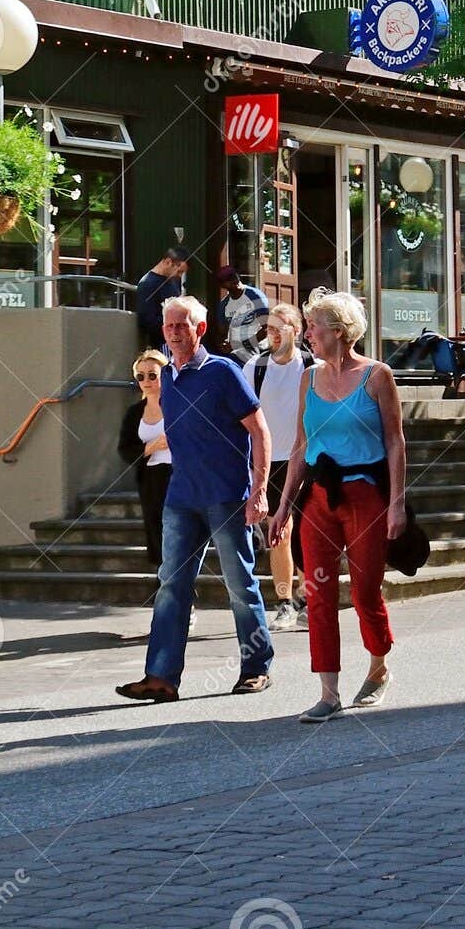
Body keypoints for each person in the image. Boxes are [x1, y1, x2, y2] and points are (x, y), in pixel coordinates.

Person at [116, 296, 274, 703]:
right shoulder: (166, 378)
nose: (173, 332)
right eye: (168, 326)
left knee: (240, 584)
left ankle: (256, 667)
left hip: (226, 496)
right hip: (181, 498)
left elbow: (259, 431)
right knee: (171, 586)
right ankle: (161, 678)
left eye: (181, 325)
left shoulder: (223, 371)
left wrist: (259, 490)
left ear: (200, 329)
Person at [269, 291, 407, 724]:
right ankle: (328, 691)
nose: (308, 333)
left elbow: (394, 443)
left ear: (341, 332)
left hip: (365, 494)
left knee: (365, 592)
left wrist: (398, 503)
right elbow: (300, 446)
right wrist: (283, 506)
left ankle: (379, 665)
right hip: (319, 498)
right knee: (318, 594)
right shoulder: (308, 378)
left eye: (315, 326)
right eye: (308, 326)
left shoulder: (377, 376)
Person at [243, 302, 313, 631]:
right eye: (268, 328)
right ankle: (285, 603)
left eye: (278, 327)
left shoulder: (314, 366)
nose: (271, 334)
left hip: (308, 459)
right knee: (279, 534)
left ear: (296, 331)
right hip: (269, 462)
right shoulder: (254, 368)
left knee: (309, 533)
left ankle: (309, 598)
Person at [117, 350, 172, 567]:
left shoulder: (177, 404)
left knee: (180, 529)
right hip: (151, 478)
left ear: (164, 375)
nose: (146, 381)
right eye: (140, 376)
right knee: (156, 529)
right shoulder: (134, 413)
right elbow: (125, 449)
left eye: (152, 375)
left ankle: (182, 583)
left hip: (179, 475)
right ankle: (165, 586)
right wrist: (152, 447)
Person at [212, 265, 270, 358]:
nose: (234, 280)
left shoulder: (255, 296)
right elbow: (222, 332)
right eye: (229, 279)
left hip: (258, 350)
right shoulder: (224, 305)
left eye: (235, 276)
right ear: (223, 285)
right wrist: (222, 344)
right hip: (235, 353)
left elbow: (266, 330)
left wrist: (238, 345)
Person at [135, 247, 188, 351]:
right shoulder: (147, 284)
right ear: (168, 262)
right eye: (179, 271)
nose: (180, 276)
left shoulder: (171, 281)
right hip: (161, 344)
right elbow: (147, 320)